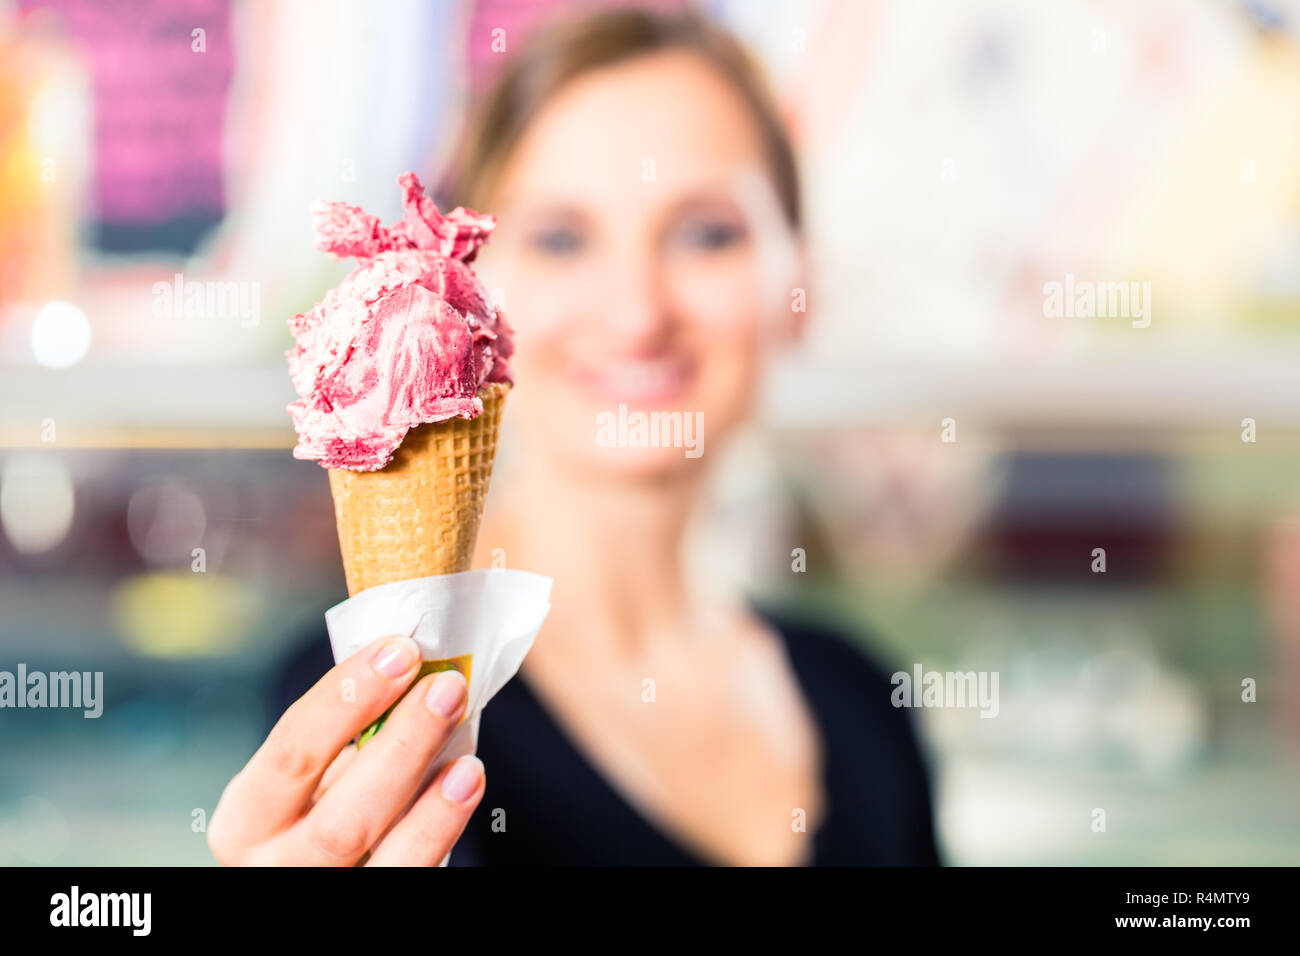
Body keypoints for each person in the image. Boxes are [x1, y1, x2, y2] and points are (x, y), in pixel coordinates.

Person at [210, 7, 941, 867]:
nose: (636, 313)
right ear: (470, 292)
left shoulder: (862, 699)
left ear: (798, 278)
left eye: (706, 233)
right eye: (561, 238)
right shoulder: (374, 689)